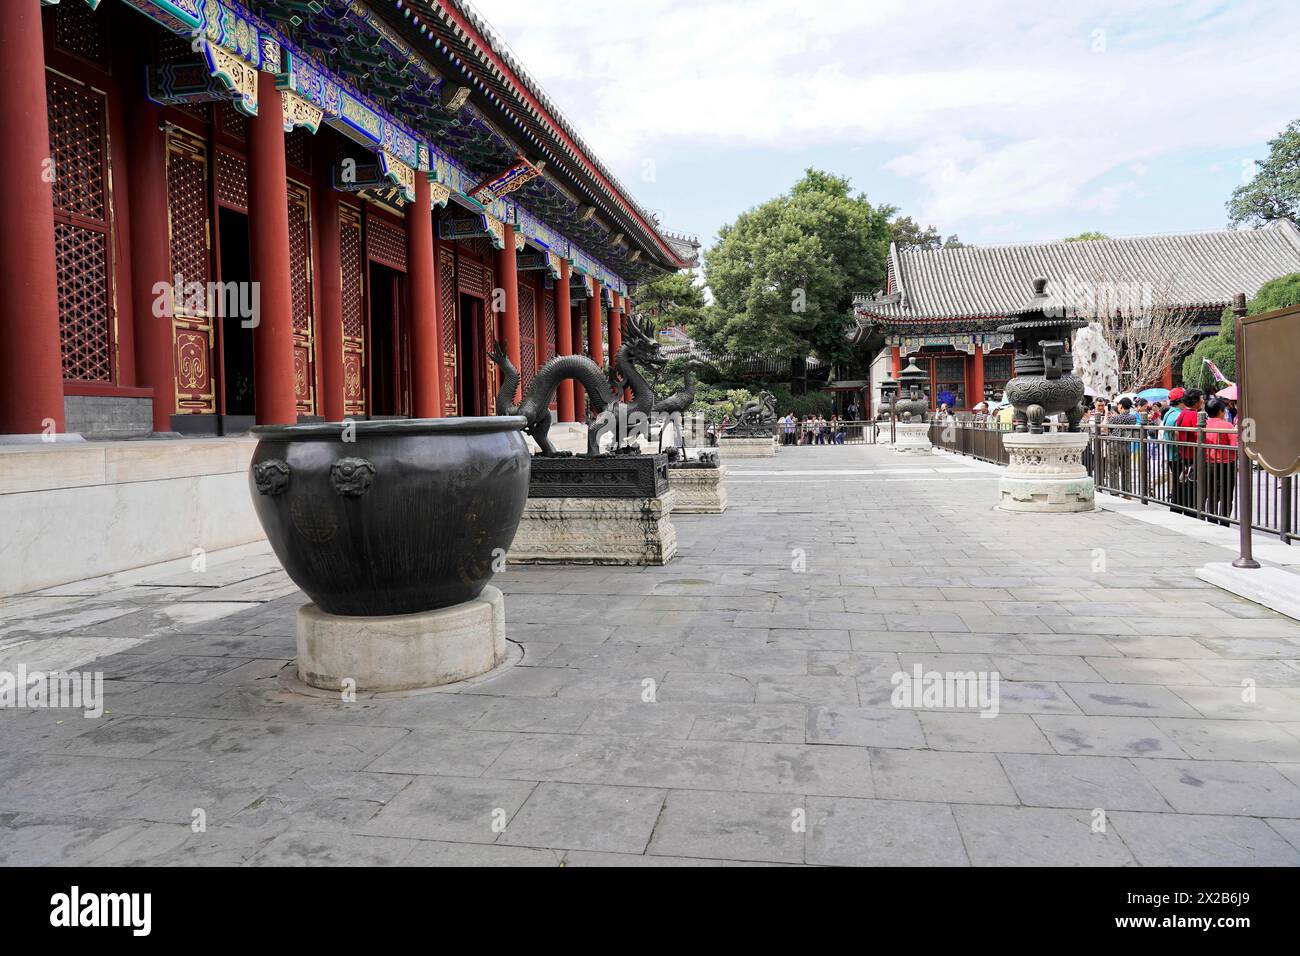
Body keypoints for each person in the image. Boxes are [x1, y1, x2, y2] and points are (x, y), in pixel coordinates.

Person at [1203, 396, 1238, 525]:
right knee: (1226, 495)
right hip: (1227, 464)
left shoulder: (1203, 424)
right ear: (1220, 411)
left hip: (1208, 464)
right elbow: (1234, 446)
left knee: (1211, 494)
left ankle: (1211, 520)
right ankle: (1224, 522)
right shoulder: (1227, 426)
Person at [1174, 388, 1205, 515]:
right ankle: (1192, 512)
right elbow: (1200, 435)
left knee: (1187, 485)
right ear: (1196, 401)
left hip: (1185, 453)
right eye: (1201, 398)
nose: (1203, 400)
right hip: (1193, 455)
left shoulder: (1183, 413)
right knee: (1193, 486)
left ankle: (1189, 510)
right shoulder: (1194, 415)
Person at [1161, 388, 1186, 510]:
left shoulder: (1168, 413)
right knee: (1181, 485)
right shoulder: (1178, 415)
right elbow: (1177, 434)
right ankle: (1177, 509)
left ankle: (1175, 508)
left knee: (1177, 484)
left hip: (1171, 455)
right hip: (1178, 456)